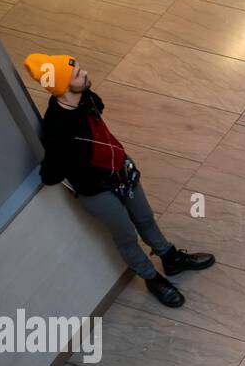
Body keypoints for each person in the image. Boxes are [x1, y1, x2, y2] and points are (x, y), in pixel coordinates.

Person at [24, 53, 213, 308]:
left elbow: (98, 107)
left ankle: (170, 258)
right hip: (97, 191)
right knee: (126, 235)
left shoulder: (85, 97)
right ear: (62, 86)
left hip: (122, 170)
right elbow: (51, 174)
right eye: (78, 74)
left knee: (145, 217)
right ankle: (151, 278)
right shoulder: (57, 127)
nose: (85, 73)